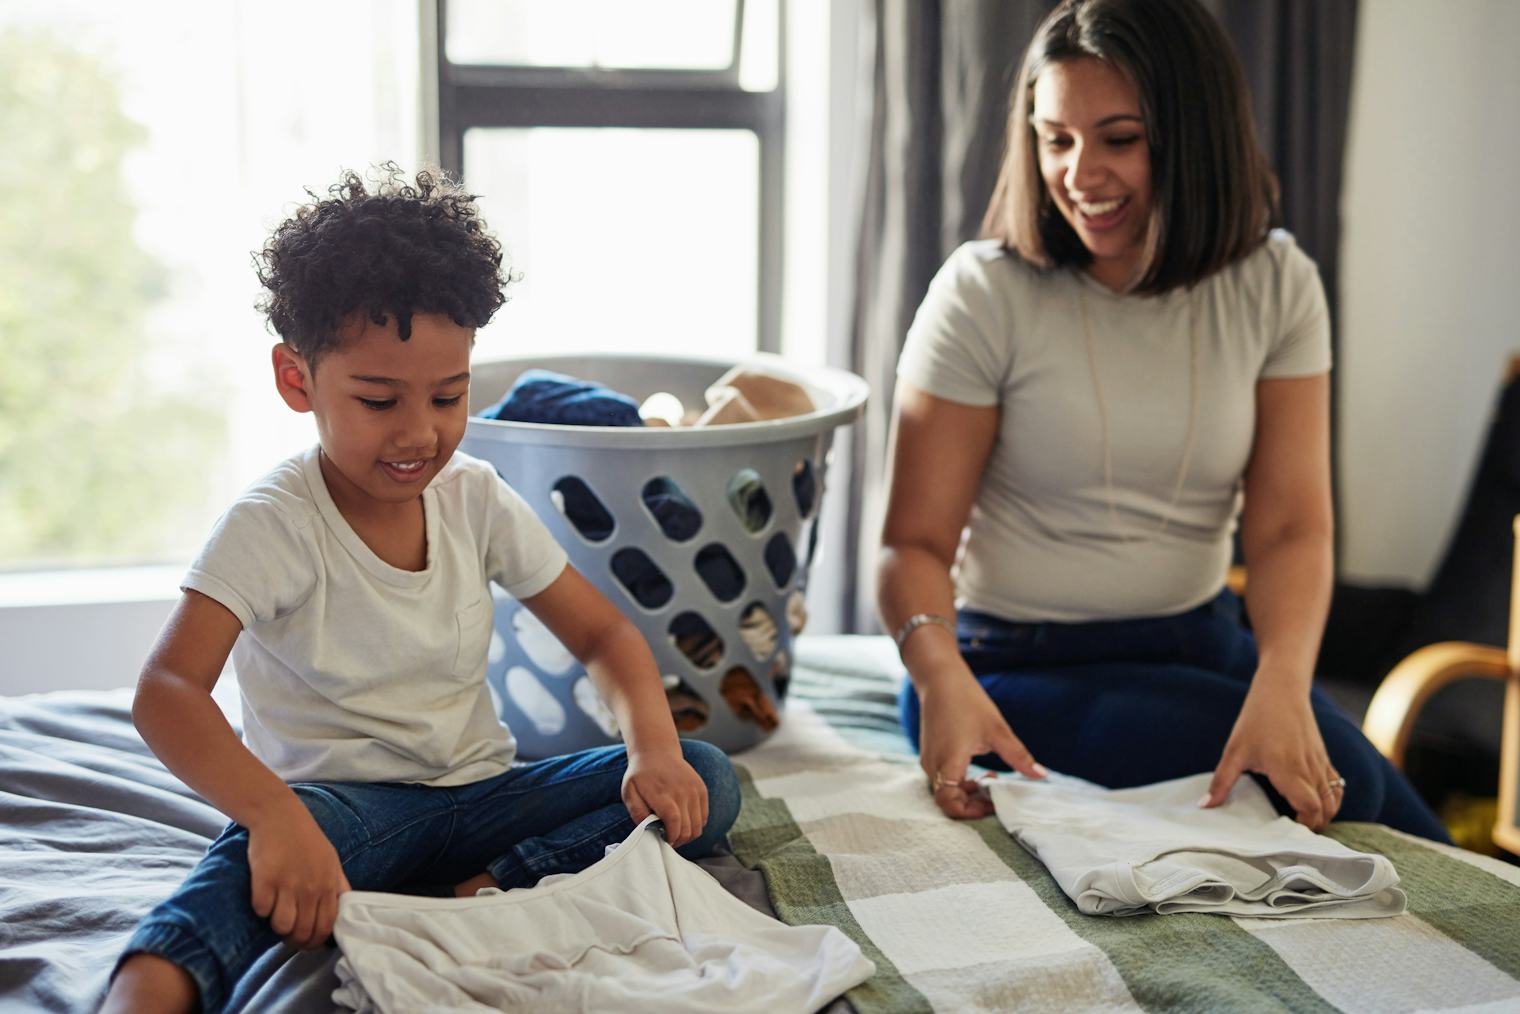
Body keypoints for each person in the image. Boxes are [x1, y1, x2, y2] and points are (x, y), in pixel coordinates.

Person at [102, 165, 741, 1014]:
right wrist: (274, 817)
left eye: (449, 396)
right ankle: (141, 996)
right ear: (299, 381)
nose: (419, 432)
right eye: (378, 400)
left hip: (481, 799)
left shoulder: (473, 494)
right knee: (230, 881)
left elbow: (605, 637)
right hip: (341, 816)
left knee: (707, 776)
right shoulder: (275, 522)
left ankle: (475, 897)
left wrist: (652, 751)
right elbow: (168, 689)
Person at [876, 0, 1449, 843]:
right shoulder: (984, 294)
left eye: (1119, 138)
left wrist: (1284, 682)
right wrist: (940, 679)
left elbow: (1291, 527)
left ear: (1193, 135)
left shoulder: (1275, 282)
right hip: (1004, 666)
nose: (1078, 174)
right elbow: (911, 547)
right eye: (1055, 138)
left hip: (1198, 642)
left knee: (1339, 777)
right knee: (1352, 782)